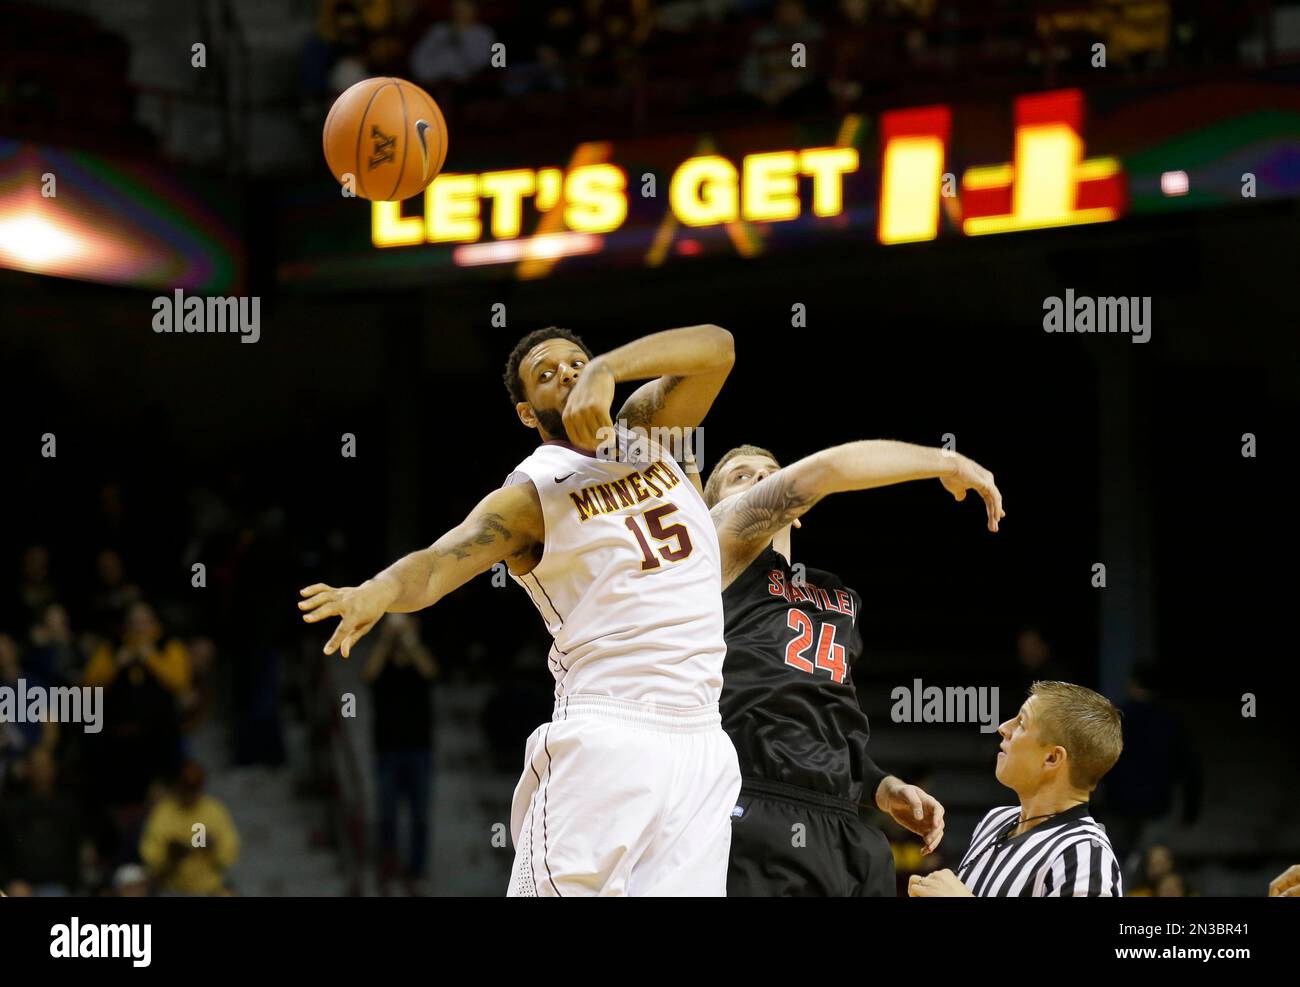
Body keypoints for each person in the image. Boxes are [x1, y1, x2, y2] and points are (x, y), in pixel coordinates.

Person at [301, 323, 740, 896]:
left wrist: (609, 367)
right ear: (528, 414)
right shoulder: (533, 493)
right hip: (610, 727)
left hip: (704, 738)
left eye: (575, 363)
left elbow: (717, 347)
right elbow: (436, 565)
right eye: (545, 375)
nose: (566, 374)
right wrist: (377, 591)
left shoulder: (649, 430)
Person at [703, 439, 1003, 895]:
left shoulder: (836, 595)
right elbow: (827, 469)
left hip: (846, 827)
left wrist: (881, 787)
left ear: (797, 514)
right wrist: (947, 461)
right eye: (740, 476)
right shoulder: (717, 559)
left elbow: (827, 716)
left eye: (770, 470)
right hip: (755, 806)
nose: (761, 478)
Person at [910, 681, 1124, 897]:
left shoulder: (1083, 853)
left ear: (1052, 758)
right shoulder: (996, 820)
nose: (1003, 728)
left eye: (1021, 723)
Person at [364, 612, 437, 895]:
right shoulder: (382, 665)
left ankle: (418, 872)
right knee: (387, 815)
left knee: (420, 816)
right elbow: (368, 676)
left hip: (420, 751)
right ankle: (388, 871)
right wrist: (385, 640)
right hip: (387, 752)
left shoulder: (420, 663)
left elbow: (432, 673)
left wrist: (409, 639)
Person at [139, 761, 240, 895]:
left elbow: (229, 855)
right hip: (172, 888)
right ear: (178, 785)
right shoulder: (163, 812)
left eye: (194, 787)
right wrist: (170, 856)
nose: (190, 793)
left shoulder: (214, 810)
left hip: (209, 889)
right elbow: (149, 858)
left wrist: (213, 846)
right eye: (186, 787)